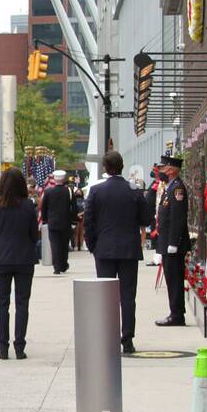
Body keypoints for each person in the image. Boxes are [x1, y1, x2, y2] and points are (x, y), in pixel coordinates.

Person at [83, 150, 153, 354]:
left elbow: (88, 221)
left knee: (106, 296)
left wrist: (93, 246)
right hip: (128, 249)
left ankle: (107, 337)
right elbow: (146, 219)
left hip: (104, 249)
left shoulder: (96, 190)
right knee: (128, 296)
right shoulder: (134, 189)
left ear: (105, 168)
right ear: (122, 167)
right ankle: (127, 339)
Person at [0, 167, 38, 360]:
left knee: (2, 303)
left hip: (1, 259)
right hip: (24, 258)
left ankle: (3, 347)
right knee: (22, 303)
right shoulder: (28, 206)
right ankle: (19, 346)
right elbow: (34, 234)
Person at [155, 153, 191, 327]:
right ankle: (175, 312)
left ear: (170, 170)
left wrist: (173, 243)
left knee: (175, 279)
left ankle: (177, 315)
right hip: (167, 241)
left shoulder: (177, 189)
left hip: (173, 244)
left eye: (163, 167)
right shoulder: (169, 187)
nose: (160, 170)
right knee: (171, 279)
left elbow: (177, 218)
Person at [40, 170, 75, 274]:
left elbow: (44, 207)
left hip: (53, 222)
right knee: (64, 245)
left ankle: (57, 267)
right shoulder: (69, 191)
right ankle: (63, 264)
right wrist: (74, 221)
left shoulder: (48, 192)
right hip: (66, 222)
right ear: (63, 179)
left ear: (54, 179)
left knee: (54, 245)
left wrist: (45, 220)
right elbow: (73, 207)